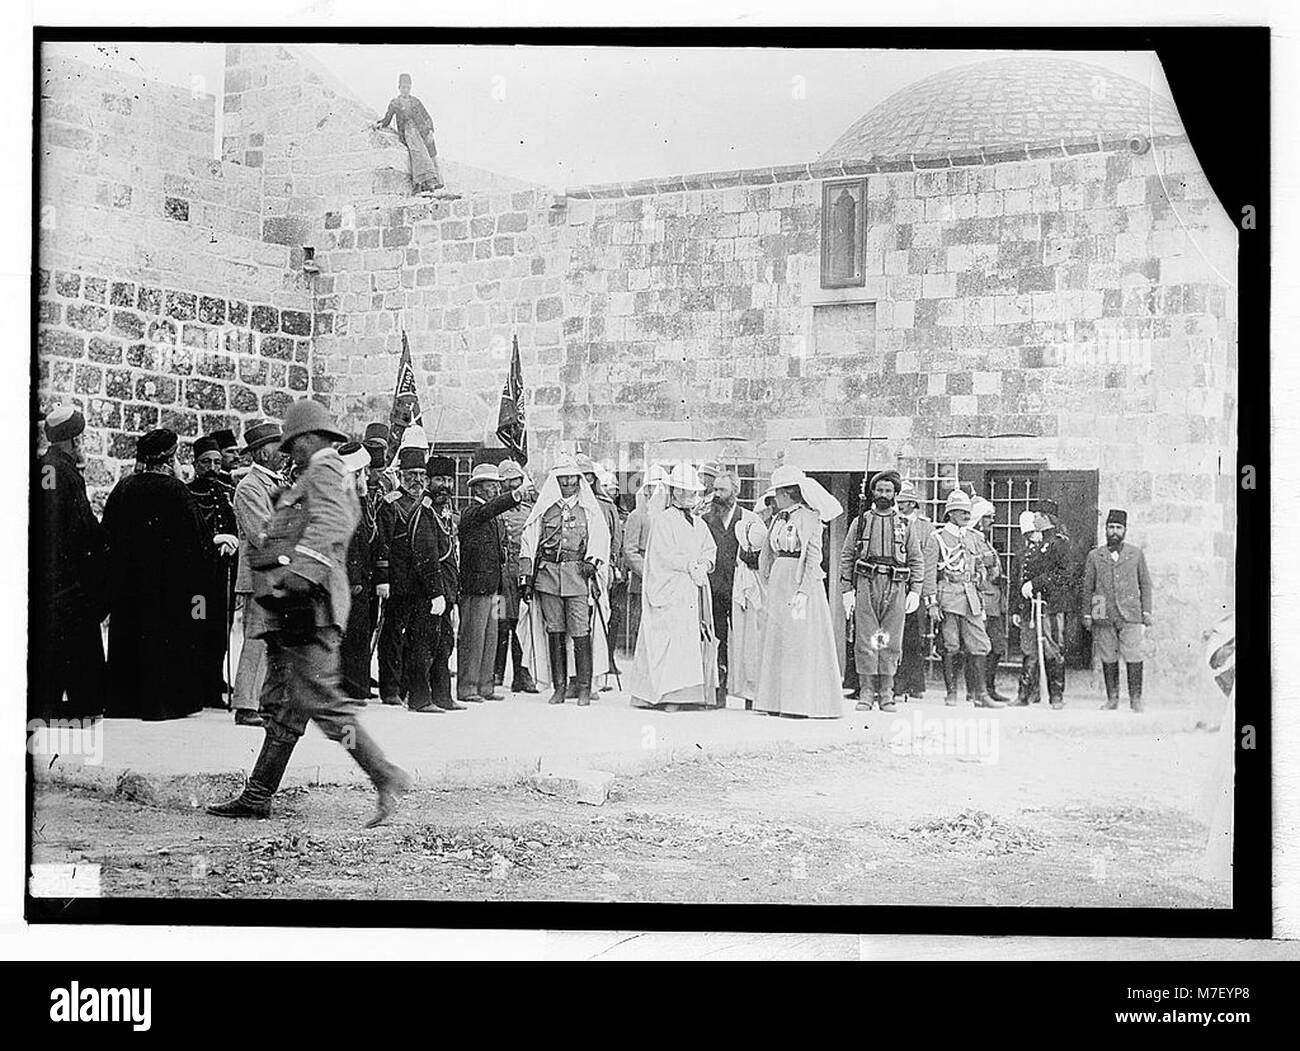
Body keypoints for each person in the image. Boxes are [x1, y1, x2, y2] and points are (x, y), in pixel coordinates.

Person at [208, 400, 411, 826]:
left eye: (292, 443)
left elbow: (331, 526)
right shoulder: (315, 474)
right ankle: (258, 794)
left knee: (323, 702)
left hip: (311, 606)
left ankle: (384, 773)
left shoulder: (325, 470)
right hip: (296, 606)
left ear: (310, 438)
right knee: (286, 704)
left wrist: (298, 575)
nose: (288, 452)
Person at [102, 428, 232, 721]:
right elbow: (197, 545)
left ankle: (125, 702)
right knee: (163, 647)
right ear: (170, 458)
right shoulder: (176, 491)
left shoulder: (123, 488)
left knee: (131, 641)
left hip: (129, 591)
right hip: (167, 592)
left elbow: (106, 538)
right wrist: (219, 547)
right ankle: (162, 704)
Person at [33, 406, 107, 722]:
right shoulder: (57, 470)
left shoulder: (53, 467)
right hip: (65, 583)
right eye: (82, 438)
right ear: (72, 440)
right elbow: (70, 528)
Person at [518, 457, 611, 706]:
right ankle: (559, 687)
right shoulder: (545, 509)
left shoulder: (588, 509)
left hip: (577, 576)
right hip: (548, 576)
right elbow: (528, 542)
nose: (568, 482)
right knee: (555, 630)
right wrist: (526, 578)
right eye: (563, 478)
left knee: (581, 630)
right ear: (555, 481)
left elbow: (601, 537)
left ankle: (583, 687)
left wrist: (593, 560)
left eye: (572, 478)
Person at [753, 466, 844, 718]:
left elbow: (814, 556)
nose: (775, 499)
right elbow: (769, 551)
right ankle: (773, 700)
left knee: (797, 641)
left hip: (799, 581)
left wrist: (804, 591)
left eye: (778, 493)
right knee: (777, 639)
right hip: (779, 581)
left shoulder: (810, 517)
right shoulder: (779, 518)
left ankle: (798, 703)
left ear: (788, 493)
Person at [628, 463, 718, 710]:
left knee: (689, 641)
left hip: (692, 589)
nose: (692, 496)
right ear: (675, 492)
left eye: (694, 492)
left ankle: (688, 695)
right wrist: (690, 565)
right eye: (687, 491)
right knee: (668, 640)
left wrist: (705, 564)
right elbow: (663, 555)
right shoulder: (663, 521)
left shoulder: (699, 523)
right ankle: (665, 695)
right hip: (671, 589)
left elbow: (710, 548)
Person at [839, 469, 926, 712]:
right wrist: (847, 590)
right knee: (866, 638)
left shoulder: (905, 525)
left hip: (896, 585)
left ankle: (887, 693)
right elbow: (847, 556)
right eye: (879, 490)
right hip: (866, 583)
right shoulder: (861, 522)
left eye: (888, 490)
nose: (883, 494)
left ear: (896, 494)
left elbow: (917, 560)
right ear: (872, 492)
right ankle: (866, 692)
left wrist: (915, 591)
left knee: (890, 639)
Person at [231, 420, 287, 727]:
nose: (283, 452)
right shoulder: (249, 488)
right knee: (256, 640)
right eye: (277, 447)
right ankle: (245, 705)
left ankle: (263, 702)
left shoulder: (277, 483)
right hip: (260, 575)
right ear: (262, 453)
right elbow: (263, 534)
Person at [927, 488, 1004, 708]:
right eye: (960, 511)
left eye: (967, 511)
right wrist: (931, 602)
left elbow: (981, 564)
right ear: (950, 513)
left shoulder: (974, 537)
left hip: (971, 596)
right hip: (949, 595)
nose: (966, 515)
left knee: (980, 644)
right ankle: (951, 693)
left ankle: (980, 695)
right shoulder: (938, 538)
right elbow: (929, 572)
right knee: (951, 645)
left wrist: (980, 574)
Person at [456, 463, 525, 703]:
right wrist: (513, 496)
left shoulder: (494, 517)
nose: (496, 488)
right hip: (475, 587)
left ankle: (486, 685)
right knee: (473, 638)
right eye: (491, 485)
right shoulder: (472, 512)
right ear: (478, 487)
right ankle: (467, 687)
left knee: (491, 636)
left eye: (497, 484)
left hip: (495, 587)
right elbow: (490, 510)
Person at [374, 446, 435, 709]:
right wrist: (383, 578)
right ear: (400, 474)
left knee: (416, 637)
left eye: (421, 474)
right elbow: (382, 545)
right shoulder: (390, 505)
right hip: (397, 582)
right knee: (392, 637)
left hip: (420, 583)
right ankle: (390, 688)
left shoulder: (427, 504)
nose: (417, 480)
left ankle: (409, 687)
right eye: (411, 474)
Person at [1082, 508, 1153, 711]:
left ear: (1125, 530)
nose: (1114, 531)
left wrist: (1146, 612)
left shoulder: (1136, 554)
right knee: (1108, 655)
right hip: (1102, 611)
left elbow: (1145, 584)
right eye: (1110, 527)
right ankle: (1112, 699)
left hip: (1131, 613)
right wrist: (1087, 613)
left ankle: (1135, 699)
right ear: (1105, 529)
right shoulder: (1095, 555)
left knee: (1133, 655)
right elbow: (1088, 586)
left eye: (1118, 528)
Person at [188, 434, 239, 710]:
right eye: (206, 462)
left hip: (222, 574)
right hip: (198, 577)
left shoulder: (224, 492)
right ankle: (196, 685)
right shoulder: (187, 492)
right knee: (199, 628)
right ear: (195, 464)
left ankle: (213, 682)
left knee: (221, 630)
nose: (212, 467)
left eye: (217, 462)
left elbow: (233, 525)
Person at [411, 454, 463, 711]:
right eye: (440, 480)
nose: (446, 485)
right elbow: (426, 556)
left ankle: (443, 696)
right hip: (429, 592)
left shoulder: (443, 512)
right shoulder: (424, 512)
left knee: (444, 643)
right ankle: (420, 699)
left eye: (449, 480)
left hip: (446, 589)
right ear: (428, 481)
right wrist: (436, 593)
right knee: (424, 644)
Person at [1013, 506, 1073, 708]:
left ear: (1045, 518)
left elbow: (1062, 574)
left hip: (1052, 606)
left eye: (1037, 516)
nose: (1034, 519)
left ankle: (1056, 697)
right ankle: (1024, 695)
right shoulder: (1038, 546)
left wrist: (1036, 584)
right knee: (1030, 649)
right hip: (1032, 607)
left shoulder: (1058, 544)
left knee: (1052, 649)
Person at [703, 470, 749, 707]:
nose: (717, 495)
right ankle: (718, 691)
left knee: (745, 639)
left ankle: (749, 694)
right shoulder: (706, 519)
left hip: (740, 588)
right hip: (714, 588)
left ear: (736, 491)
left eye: (722, 490)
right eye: (715, 489)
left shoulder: (748, 519)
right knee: (718, 639)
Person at [494, 459, 539, 693]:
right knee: (500, 623)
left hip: (520, 574)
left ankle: (522, 675)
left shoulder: (530, 511)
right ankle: (495, 673)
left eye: (517, 482)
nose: (513, 486)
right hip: (499, 578)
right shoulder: (494, 509)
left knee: (521, 623)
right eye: (508, 483)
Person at [338, 442, 377, 701]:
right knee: (352, 634)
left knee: (362, 632)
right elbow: (348, 543)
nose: (367, 477)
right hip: (350, 579)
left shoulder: (363, 499)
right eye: (362, 472)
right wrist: (353, 579)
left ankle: (359, 684)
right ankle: (350, 688)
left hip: (365, 576)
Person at [893, 482, 935, 701]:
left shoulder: (925, 527)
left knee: (914, 638)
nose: (901, 506)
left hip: (914, 587)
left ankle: (915, 684)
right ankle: (896, 684)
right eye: (898, 502)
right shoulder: (891, 522)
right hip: (894, 585)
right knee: (894, 637)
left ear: (913, 503)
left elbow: (927, 562)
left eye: (905, 502)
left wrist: (924, 592)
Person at [374, 73, 445, 195]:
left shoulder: (415, 101)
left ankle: (434, 182)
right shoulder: (395, 103)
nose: (405, 90)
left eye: (408, 87)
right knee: (418, 153)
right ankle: (421, 183)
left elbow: (426, 116)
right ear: (399, 88)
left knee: (430, 153)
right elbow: (387, 118)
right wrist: (381, 124)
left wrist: (430, 130)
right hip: (408, 131)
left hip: (421, 131)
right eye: (403, 87)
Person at [971, 496, 1012, 704]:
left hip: (994, 602)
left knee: (997, 645)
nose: (992, 521)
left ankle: (989, 687)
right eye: (988, 517)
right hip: (983, 601)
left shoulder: (984, 539)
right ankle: (981, 690)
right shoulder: (973, 539)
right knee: (985, 645)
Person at [729, 505, 768, 710]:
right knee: (750, 641)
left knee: (756, 639)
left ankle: (758, 691)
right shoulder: (752, 530)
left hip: (761, 593)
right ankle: (750, 692)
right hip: (749, 596)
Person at [620, 467, 662, 655]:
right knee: (641, 617)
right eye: (653, 487)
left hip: (665, 576)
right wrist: (648, 571)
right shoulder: (637, 516)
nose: (657, 491)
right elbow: (630, 551)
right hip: (643, 576)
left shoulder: (669, 516)